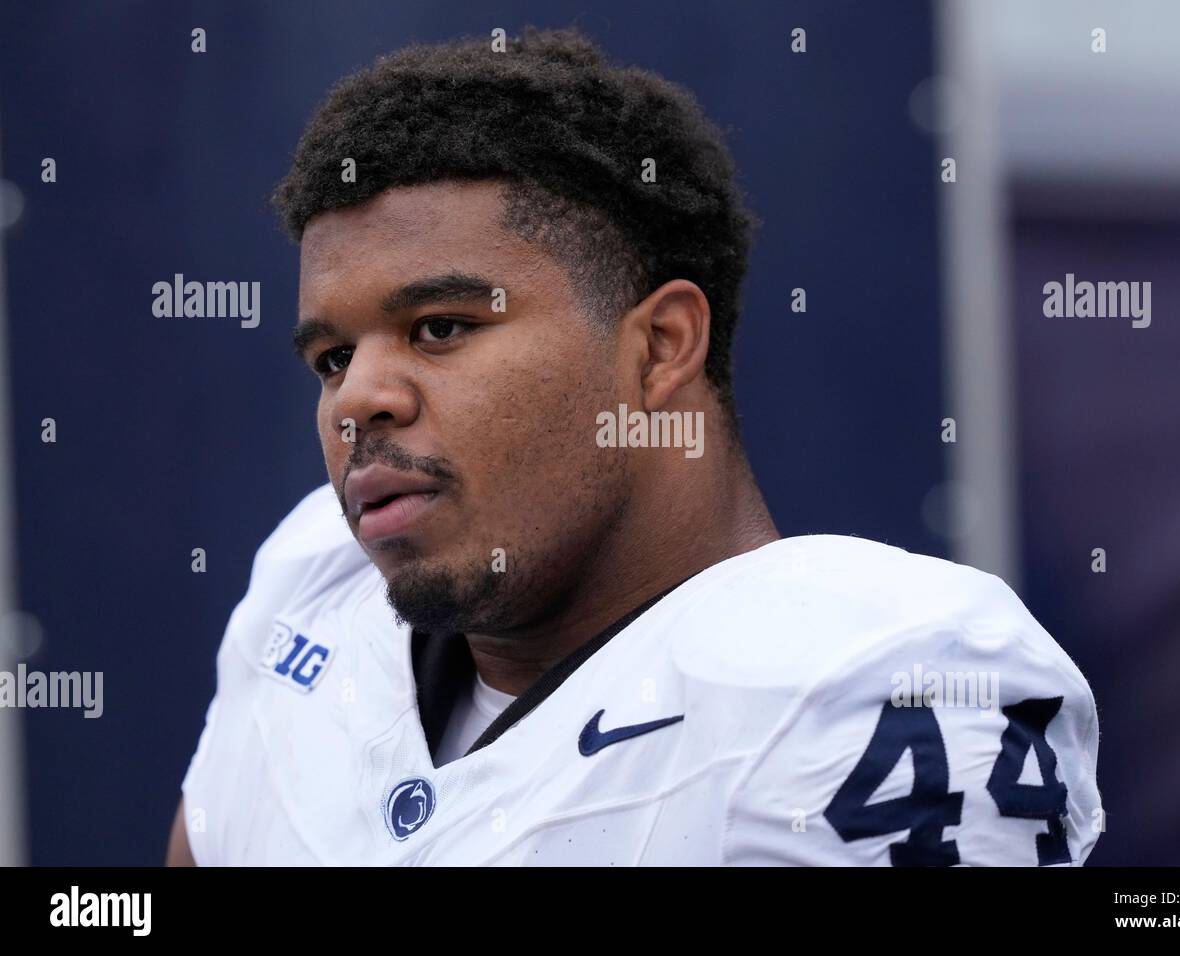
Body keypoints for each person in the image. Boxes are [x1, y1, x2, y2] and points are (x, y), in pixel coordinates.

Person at [169, 26, 1100, 866]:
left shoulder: (876, 679)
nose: (358, 399)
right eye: (332, 358)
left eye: (441, 328)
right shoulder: (315, 579)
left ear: (659, 348)